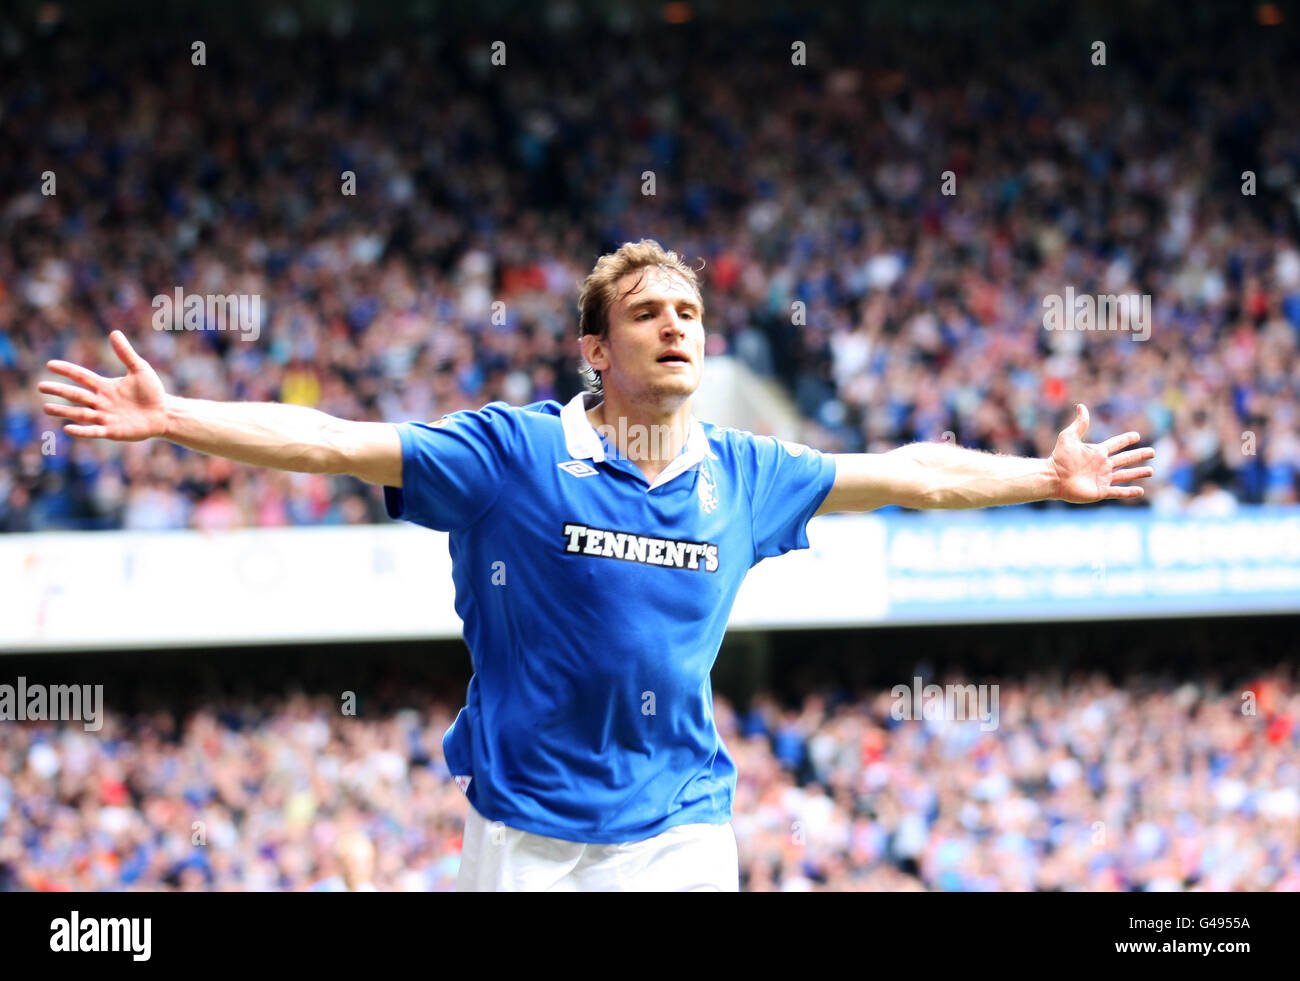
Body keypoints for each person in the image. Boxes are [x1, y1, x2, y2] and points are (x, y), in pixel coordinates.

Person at [37, 238, 1155, 891]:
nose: (675, 326)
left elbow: (909, 474)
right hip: (522, 829)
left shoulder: (746, 472)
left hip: (677, 826)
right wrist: (174, 416)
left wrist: (1041, 477)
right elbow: (332, 443)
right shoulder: (511, 454)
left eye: (689, 312)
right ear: (594, 350)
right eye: (645, 313)